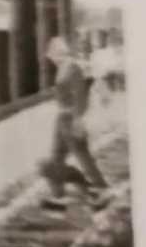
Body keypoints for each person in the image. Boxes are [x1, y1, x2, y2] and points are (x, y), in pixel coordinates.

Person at [39, 36, 111, 212]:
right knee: (57, 157)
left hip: (71, 119)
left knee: (82, 155)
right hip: (62, 119)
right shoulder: (64, 68)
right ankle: (58, 197)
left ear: (59, 53)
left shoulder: (72, 68)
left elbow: (80, 96)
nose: (51, 58)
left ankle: (102, 189)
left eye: (52, 54)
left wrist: (79, 120)